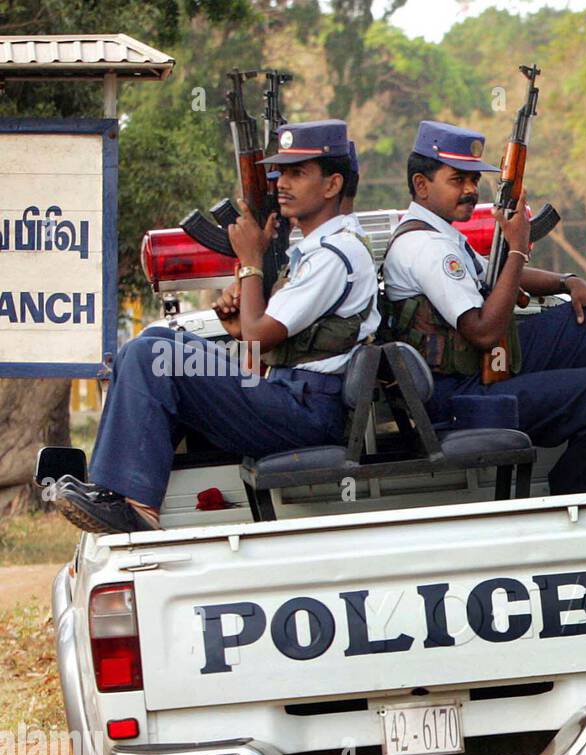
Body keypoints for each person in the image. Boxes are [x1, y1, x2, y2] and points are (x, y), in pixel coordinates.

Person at [54, 120, 378, 534]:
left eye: (298, 173)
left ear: (332, 185)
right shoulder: (319, 250)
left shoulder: (335, 254)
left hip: (307, 411)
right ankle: (119, 492)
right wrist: (238, 322)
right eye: (282, 173)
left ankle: (135, 507)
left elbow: (261, 335)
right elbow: (258, 339)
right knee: (155, 339)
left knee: (151, 356)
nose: (283, 183)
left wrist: (250, 262)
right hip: (293, 398)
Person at [380, 120, 586, 495]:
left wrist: (568, 282)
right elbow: (483, 331)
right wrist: (518, 247)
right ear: (421, 185)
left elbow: (501, 275)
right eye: (457, 180)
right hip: (459, 396)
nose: (470, 190)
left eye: (473, 181)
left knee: (584, 325)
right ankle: (575, 486)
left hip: (472, 373)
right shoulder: (428, 248)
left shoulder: (440, 235)